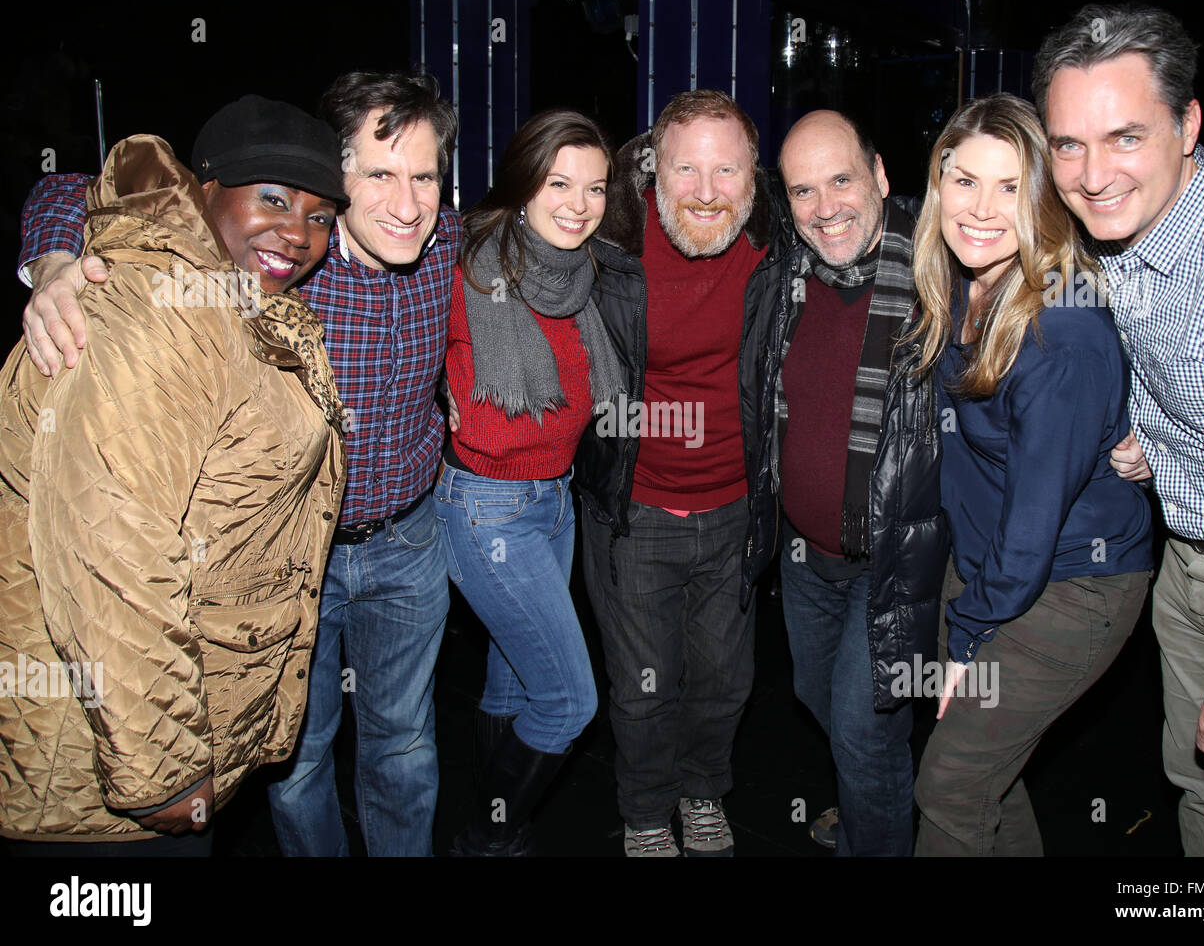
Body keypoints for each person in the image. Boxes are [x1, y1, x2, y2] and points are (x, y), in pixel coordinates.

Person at [15, 71, 462, 857]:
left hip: (409, 546)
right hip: (291, 568)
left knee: (405, 747)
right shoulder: (258, 274)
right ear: (336, 172)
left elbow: (548, 216)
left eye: (424, 175)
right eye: (381, 173)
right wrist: (54, 260)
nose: (407, 201)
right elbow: (79, 187)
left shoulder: (443, 244)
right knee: (291, 759)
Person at [0, 95, 348, 854]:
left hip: (173, 726)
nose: (297, 232)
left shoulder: (232, 296)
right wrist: (161, 771)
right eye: (274, 199)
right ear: (204, 190)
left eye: (321, 215)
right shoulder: (153, 312)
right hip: (104, 771)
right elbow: (110, 551)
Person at [1036, 3, 1204, 856]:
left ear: (1188, 125)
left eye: (1124, 137)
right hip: (1188, 567)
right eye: (1067, 144)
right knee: (1198, 789)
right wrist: (1163, 436)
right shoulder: (1128, 238)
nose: (1091, 173)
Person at [905, 93, 1153, 856]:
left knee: (950, 784)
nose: (981, 208)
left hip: (1070, 587)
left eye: (1010, 187)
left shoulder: (1061, 332)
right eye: (964, 179)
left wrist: (974, 632)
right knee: (988, 782)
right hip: (988, 571)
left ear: (1043, 197)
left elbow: (1035, 519)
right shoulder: (962, 289)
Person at [572, 89, 779, 856]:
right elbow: (510, 243)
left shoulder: (774, 242)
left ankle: (702, 793)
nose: (704, 191)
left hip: (737, 509)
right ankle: (646, 811)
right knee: (642, 687)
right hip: (635, 512)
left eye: (726, 170)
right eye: (685, 168)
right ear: (652, 171)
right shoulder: (607, 247)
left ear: (754, 178)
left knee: (725, 682)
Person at [750, 109, 948, 856]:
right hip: (806, 558)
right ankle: (880, 802)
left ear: (882, 177)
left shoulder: (941, 276)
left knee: (865, 734)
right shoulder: (785, 276)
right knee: (818, 699)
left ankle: (878, 819)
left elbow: (1040, 329)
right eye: (803, 190)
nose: (824, 207)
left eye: (841, 180)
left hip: (894, 562)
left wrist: (1130, 426)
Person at [436, 109, 621, 855]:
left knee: (515, 682)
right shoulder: (463, 260)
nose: (579, 205)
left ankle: (506, 828)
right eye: (559, 183)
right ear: (521, 186)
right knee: (571, 701)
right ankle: (484, 836)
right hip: (485, 508)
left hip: (555, 501)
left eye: (597, 188)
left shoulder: (584, 272)